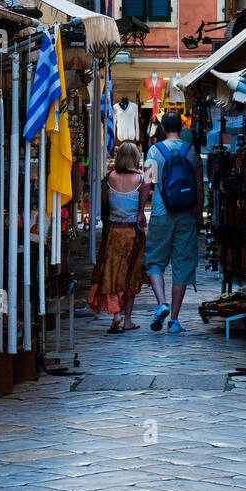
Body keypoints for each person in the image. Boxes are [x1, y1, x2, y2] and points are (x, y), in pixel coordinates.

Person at [143, 111, 204, 335]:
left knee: (154, 261)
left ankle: (161, 303)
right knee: (182, 266)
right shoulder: (191, 152)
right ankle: (175, 320)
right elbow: (199, 187)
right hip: (186, 214)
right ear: (181, 127)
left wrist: (141, 211)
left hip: (161, 211)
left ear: (162, 127)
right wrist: (198, 214)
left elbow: (146, 184)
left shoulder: (154, 150)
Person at [88, 141, 150, 333]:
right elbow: (142, 209)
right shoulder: (142, 179)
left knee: (113, 274)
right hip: (133, 232)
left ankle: (116, 315)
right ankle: (128, 320)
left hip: (113, 232)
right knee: (132, 275)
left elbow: (104, 205)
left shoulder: (108, 178)